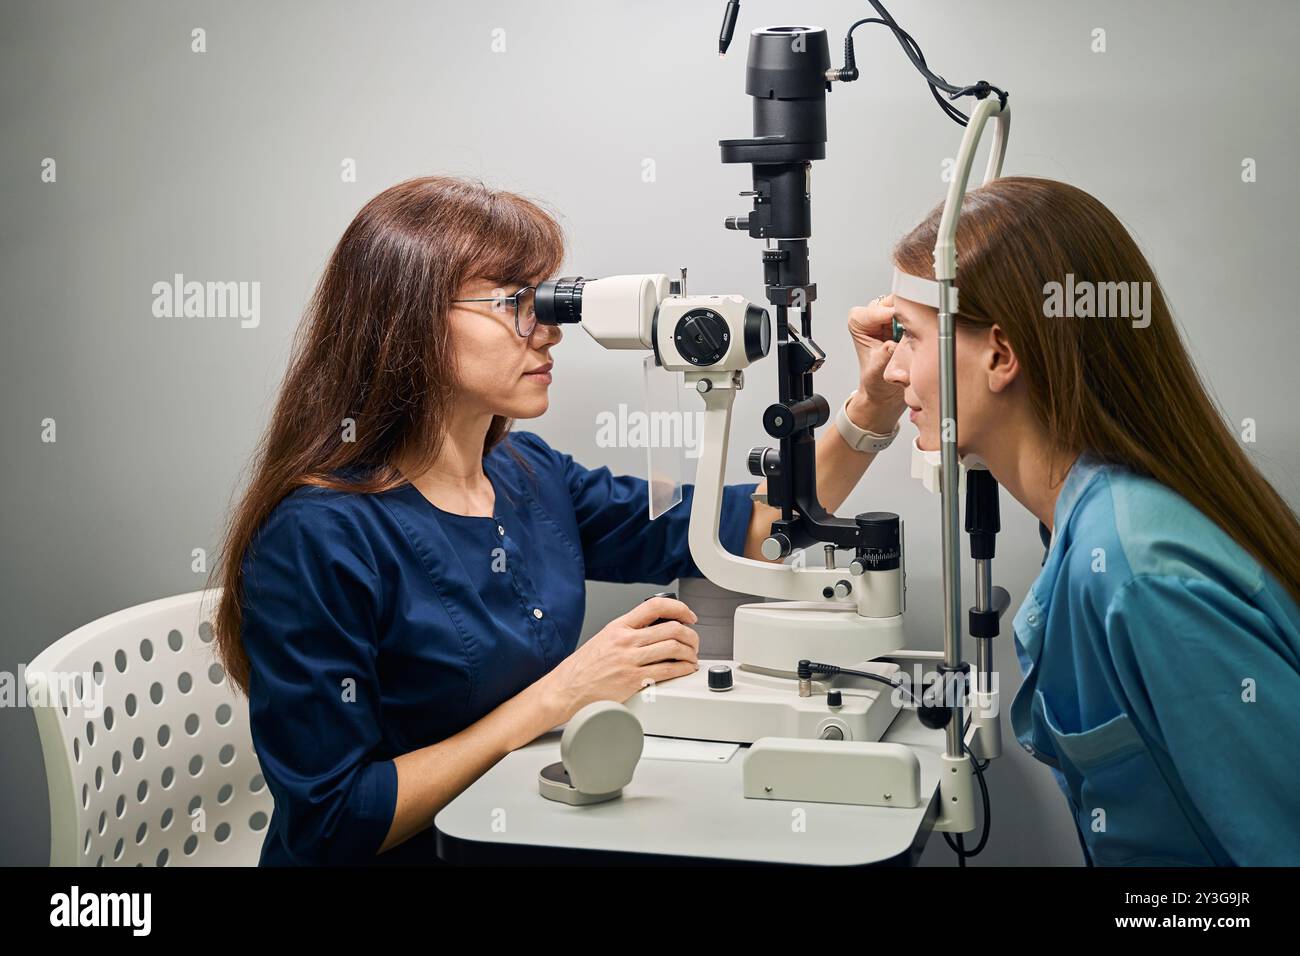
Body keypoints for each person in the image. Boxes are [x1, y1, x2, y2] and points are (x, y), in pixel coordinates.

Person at [211, 175, 906, 865]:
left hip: (520, 829)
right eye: (517, 302)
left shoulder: (529, 475)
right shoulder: (317, 537)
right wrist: (561, 696)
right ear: (409, 320)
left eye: (547, 300)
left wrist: (873, 406)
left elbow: (754, 526)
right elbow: (333, 822)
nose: (550, 331)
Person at [878, 175, 1300, 865]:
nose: (892, 369)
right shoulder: (1090, 524)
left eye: (910, 338)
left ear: (1002, 355)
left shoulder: (1139, 575)